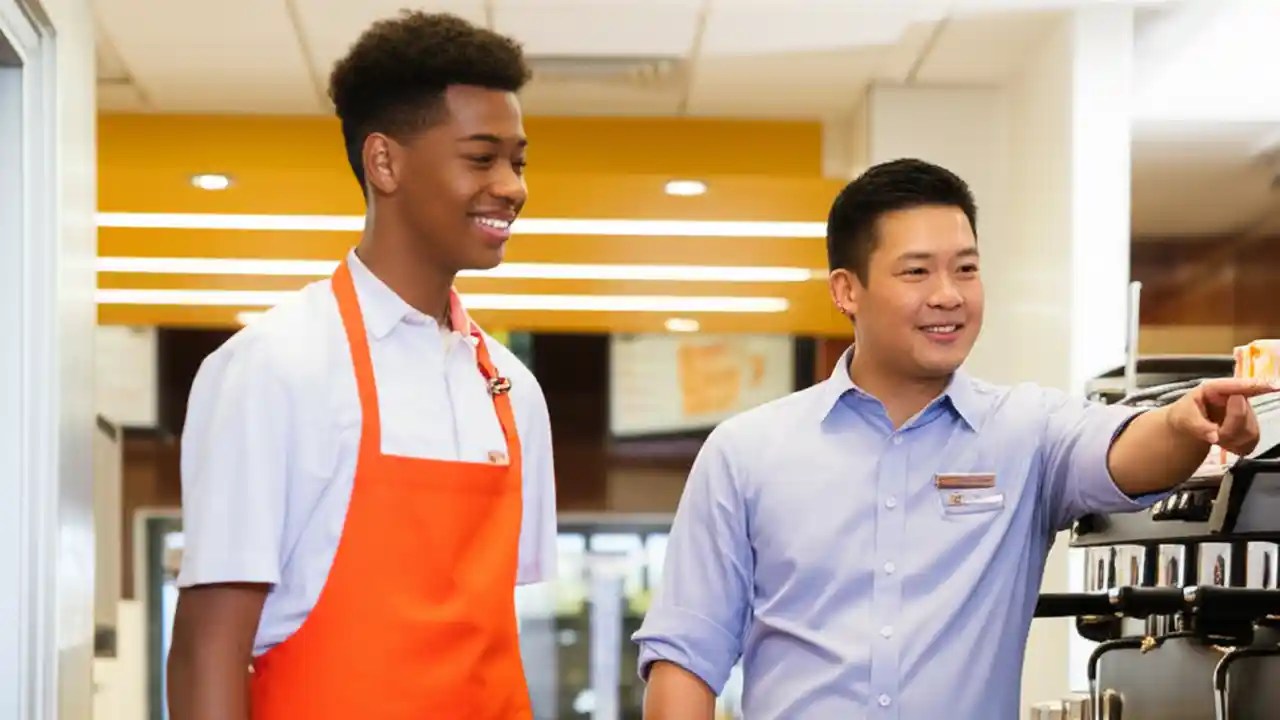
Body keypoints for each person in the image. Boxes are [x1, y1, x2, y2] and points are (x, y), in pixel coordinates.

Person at [632, 158, 1274, 719]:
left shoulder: (1026, 432)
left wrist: (1184, 424)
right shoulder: (747, 453)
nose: (948, 295)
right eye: (916, 272)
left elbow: (1125, 452)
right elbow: (687, 659)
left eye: (965, 269)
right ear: (846, 290)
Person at [166, 11, 555, 720]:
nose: (512, 185)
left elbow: (491, 641)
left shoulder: (511, 387)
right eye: (481, 156)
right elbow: (205, 650)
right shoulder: (273, 367)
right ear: (385, 162)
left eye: (518, 161)